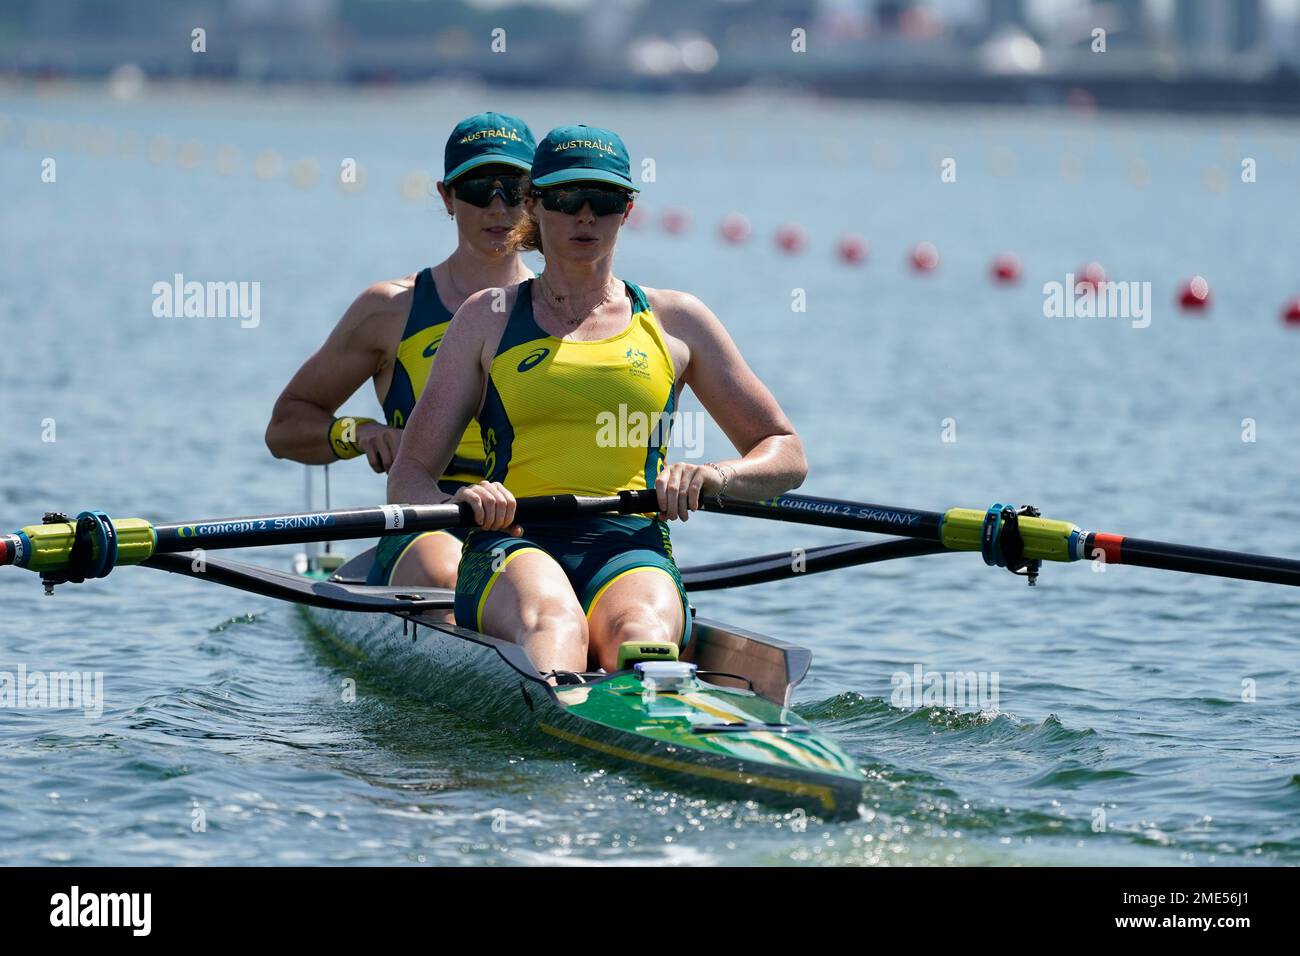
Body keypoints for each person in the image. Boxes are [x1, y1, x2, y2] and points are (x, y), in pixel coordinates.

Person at [387, 124, 807, 676]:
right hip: (512, 543)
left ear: (627, 210)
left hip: (631, 544)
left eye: (604, 200)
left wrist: (716, 477)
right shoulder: (486, 318)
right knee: (556, 623)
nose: (586, 216)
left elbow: (785, 452)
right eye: (565, 199)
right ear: (534, 205)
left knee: (642, 632)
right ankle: (552, 732)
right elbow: (409, 476)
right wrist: (465, 499)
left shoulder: (677, 321)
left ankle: (637, 724)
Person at [265, 112, 537, 595]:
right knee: (449, 575)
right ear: (447, 197)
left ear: (535, 198)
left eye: (513, 188)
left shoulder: (570, 312)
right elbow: (286, 427)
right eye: (477, 187)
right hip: (428, 521)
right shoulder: (391, 309)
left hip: (537, 517)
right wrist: (359, 433)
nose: (497, 207)